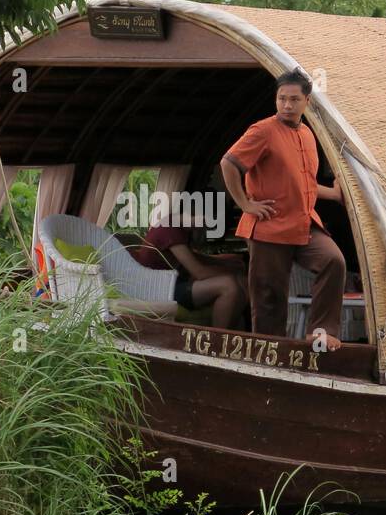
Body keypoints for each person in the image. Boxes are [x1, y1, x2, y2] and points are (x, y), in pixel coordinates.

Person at [220, 69, 346, 349]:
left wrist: (335, 194)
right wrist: (245, 203)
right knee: (269, 297)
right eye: (281, 99)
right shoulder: (262, 130)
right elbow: (229, 163)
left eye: (293, 99)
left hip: (304, 223)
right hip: (269, 226)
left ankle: (321, 333)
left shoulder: (308, 134)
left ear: (307, 102)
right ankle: (269, 351)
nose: (287, 105)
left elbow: (305, 183)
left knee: (333, 261)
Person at [131, 197, 249, 329]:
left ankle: (236, 335)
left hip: (172, 284)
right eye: (204, 220)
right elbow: (199, 272)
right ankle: (217, 340)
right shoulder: (169, 228)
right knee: (229, 285)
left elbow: (194, 257)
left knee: (240, 282)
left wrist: (226, 262)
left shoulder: (179, 227)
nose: (204, 226)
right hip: (158, 290)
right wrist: (231, 273)